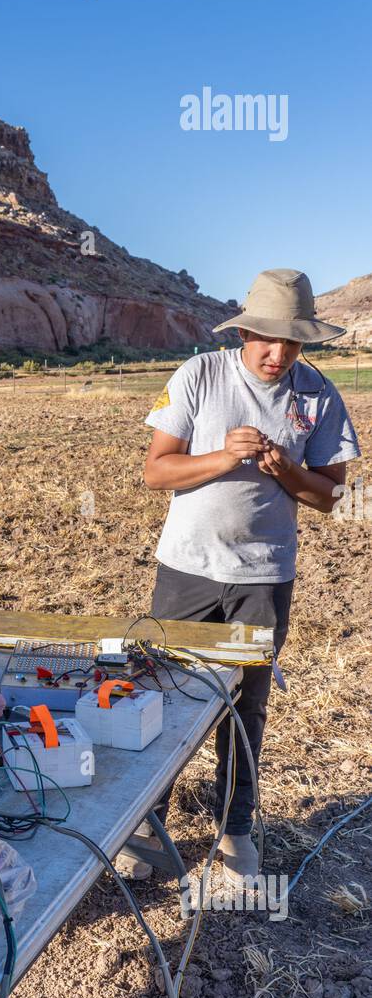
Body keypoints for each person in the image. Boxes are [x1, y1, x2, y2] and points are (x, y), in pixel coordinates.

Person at [119, 268, 361, 892]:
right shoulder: (199, 375)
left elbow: (332, 496)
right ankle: (149, 824)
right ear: (245, 330)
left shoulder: (318, 396)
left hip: (264, 579)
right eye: (267, 339)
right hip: (188, 570)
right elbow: (156, 472)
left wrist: (286, 471)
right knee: (166, 698)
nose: (278, 354)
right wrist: (225, 456)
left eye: (293, 343)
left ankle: (237, 828)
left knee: (245, 706)